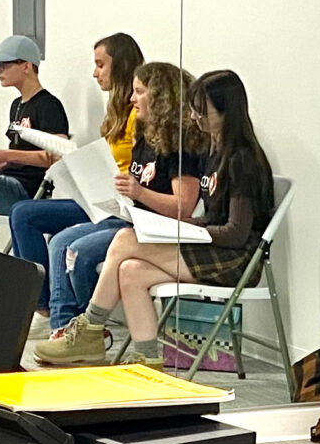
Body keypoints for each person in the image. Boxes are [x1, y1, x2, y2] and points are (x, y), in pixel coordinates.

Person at [36, 67, 270, 369]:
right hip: (215, 247)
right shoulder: (216, 152)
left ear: (227, 112)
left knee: (124, 239)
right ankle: (147, 358)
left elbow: (237, 233)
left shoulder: (242, 159)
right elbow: (213, 217)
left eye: (203, 112)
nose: (197, 119)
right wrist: (185, 228)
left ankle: (89, 328)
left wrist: (187, 230)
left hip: (237, 260)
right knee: (130, 270)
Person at [31, 60, 203, 359]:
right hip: (130, 218)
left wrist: (138, 192)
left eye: (139, 92)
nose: (131, 99)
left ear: (161, 96)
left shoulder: (180, 142)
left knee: (83, 250)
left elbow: (183, 206)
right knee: (60, 241)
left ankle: (92, 331)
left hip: (155, 228)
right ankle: (65, 329)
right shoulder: (146, 134)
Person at [10, 32, 143, 289]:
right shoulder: (115, 112)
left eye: (100, 64)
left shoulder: (136, 116)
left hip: (119, 205)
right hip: (102, 199)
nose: (95, 73)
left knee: (29, 217)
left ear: (121, 65)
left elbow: (138, 170)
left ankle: (43, 306)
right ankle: (39, 305)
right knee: (21, 212)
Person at [0, 33, 68, 218]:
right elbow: (17, 154)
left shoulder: (48, 105)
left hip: (28, 188)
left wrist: (8, 155)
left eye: (4, 64)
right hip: (10, 179)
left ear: (26, 66)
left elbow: (57, 156)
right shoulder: (16, 105)